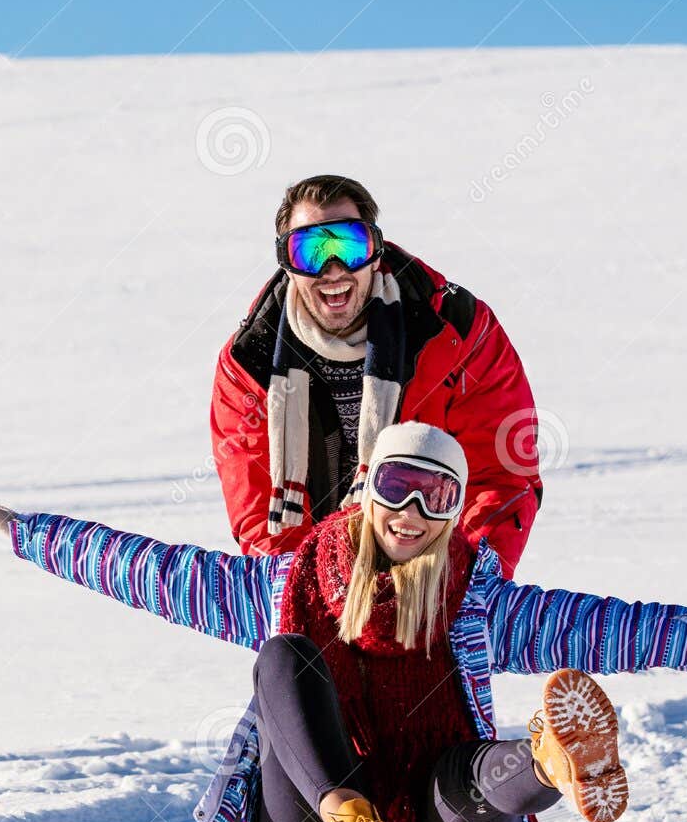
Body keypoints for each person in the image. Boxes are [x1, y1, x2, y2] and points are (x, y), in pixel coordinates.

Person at [0, 422, 687, 822]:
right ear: (364, 488)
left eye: (439, 497)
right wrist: (22, 531)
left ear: (455, 512)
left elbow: (632, 629)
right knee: (283, 661)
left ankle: (551, 764)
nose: (414, 512)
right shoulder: (283, 586)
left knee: (472, 770)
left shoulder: (478, 600)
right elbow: (148, 568)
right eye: (398, 487)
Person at [210, 173, 541, 577]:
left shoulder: (458, 331)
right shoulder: (249, 365)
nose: (332, 270)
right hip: (313, 580)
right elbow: (260, 517)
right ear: (286, 263)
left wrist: (460, 583)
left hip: (434, 578)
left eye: (349, 246)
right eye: (309, 250)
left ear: (376, 251)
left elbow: (502, 475)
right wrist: (305, 597)